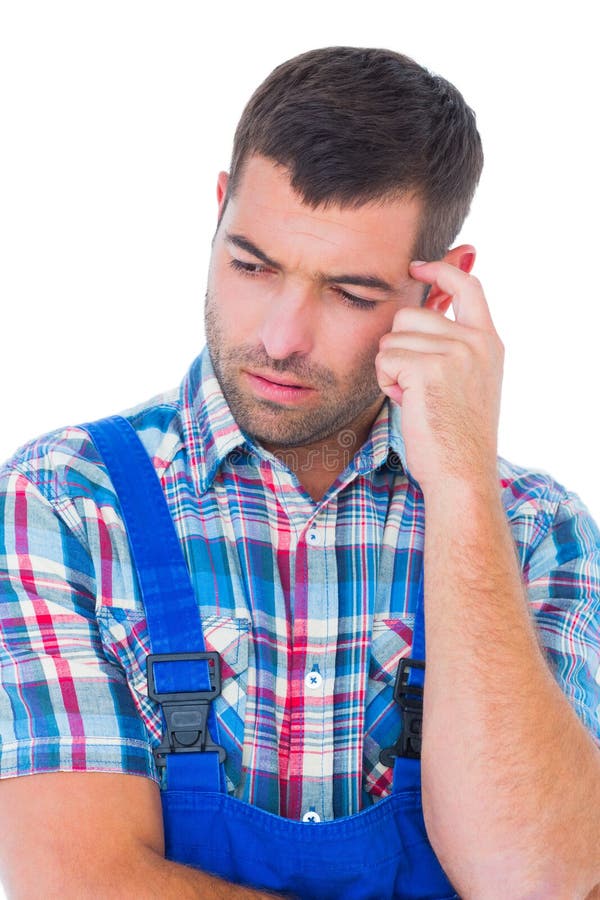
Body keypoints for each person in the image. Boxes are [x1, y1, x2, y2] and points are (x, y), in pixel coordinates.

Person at [0, 45, 599, 900]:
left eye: (351, 292)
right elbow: (80, 884)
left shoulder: (537, 532)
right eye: (253, 265)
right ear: (218, 212)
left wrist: (462, 489)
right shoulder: (66, 502)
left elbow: (540, 879)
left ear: (441, 294)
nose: (281, 336)